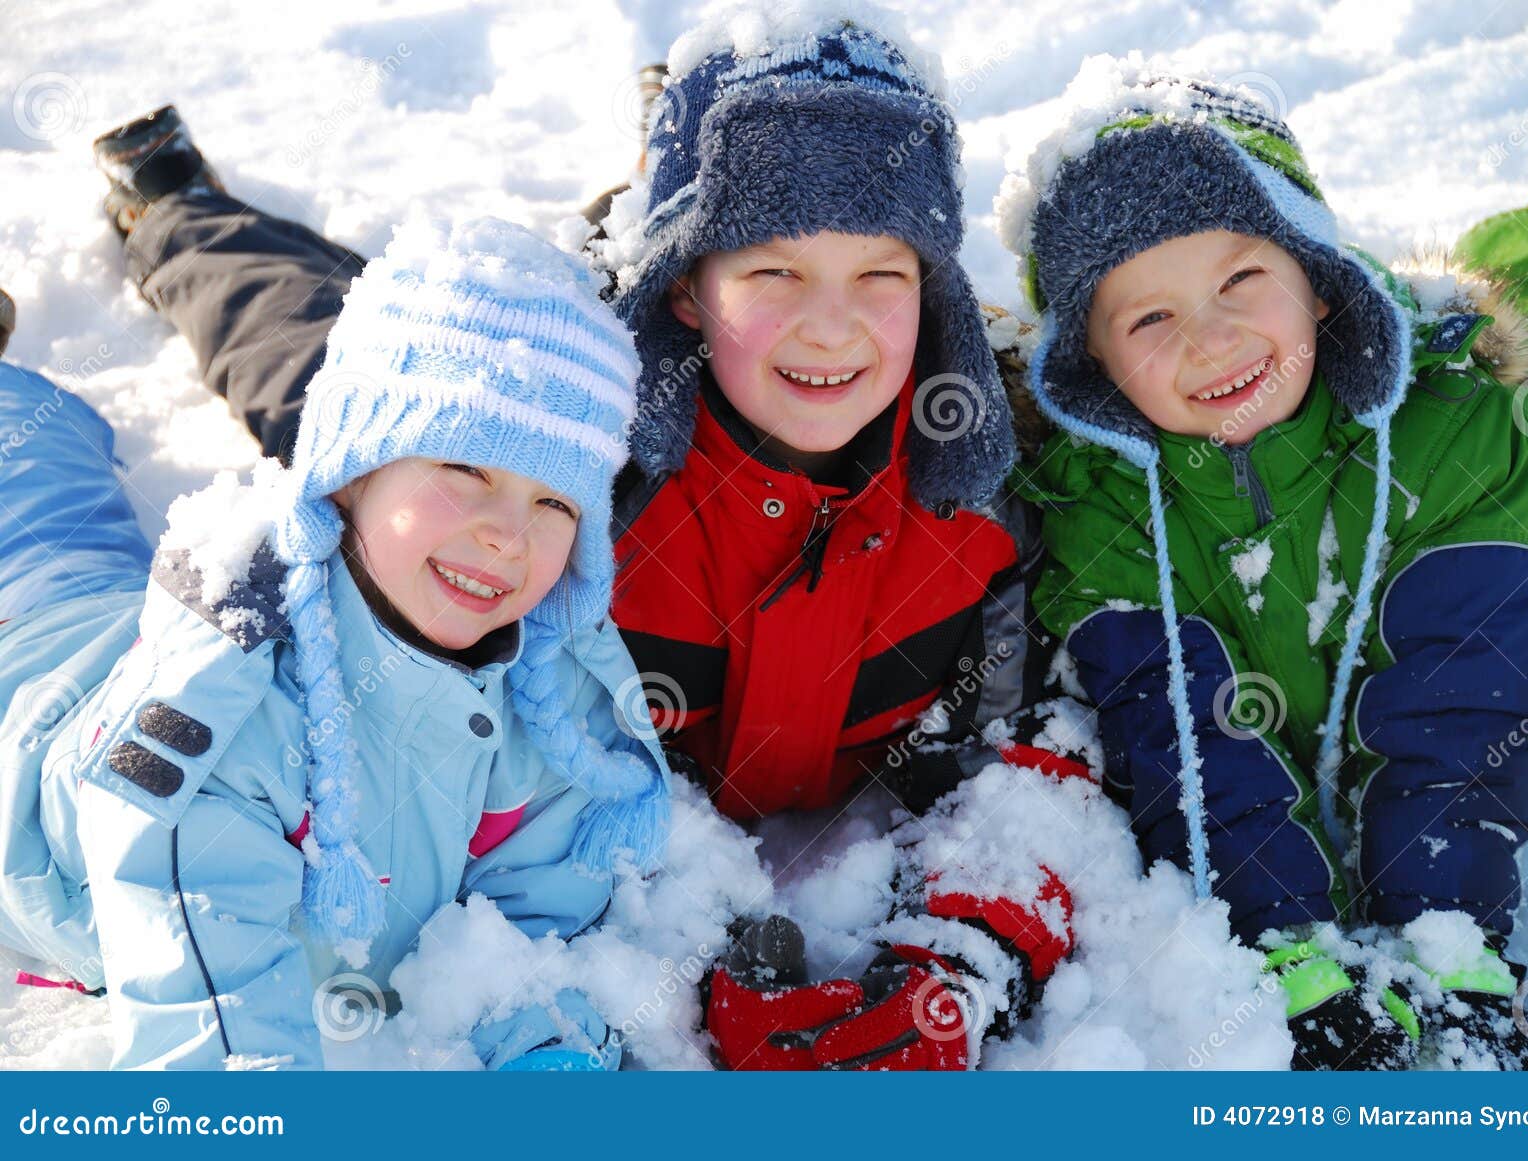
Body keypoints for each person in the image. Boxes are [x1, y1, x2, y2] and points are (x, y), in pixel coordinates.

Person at [86, 5, 1092, 1072]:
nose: (832, 324)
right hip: (526, 384)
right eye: (771, 269)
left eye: (879, 274)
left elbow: (1028, 754)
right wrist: (692, 949)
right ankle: (180, 216)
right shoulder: (555, 479)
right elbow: (555, 794)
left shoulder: (982, 482)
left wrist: (962, 963)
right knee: (297, 342)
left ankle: (684, 181)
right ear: (689, 293)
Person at [1002, 58, 1528, 1069]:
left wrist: (1446, 939)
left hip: (1416, 406)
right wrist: (1285, 941)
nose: (1212, 337)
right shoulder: (1099, 507)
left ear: (1319, 287)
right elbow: (1183, 737)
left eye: (1241, 279)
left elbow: (1468, 701)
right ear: (1091, 367)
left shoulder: (1458, 429)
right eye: (1149, 318)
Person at [0, 216, 669, 1070]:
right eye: (466, 470)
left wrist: (542, 1051)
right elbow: (213, 1011)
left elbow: (537, 917)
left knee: (70, 521)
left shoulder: (554, 702)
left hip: (107, 626)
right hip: (28, 683)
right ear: (353, 472)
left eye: (556, 504)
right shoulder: (229, 718)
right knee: (35, 490)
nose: (510, 536)